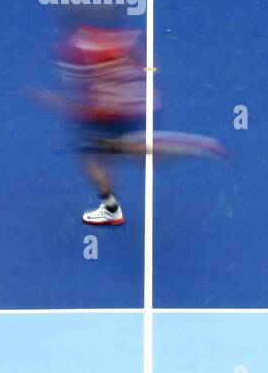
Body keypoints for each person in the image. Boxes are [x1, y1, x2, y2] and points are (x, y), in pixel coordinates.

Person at [39, 11, 226, 226]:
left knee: (97, 155)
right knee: (115, 152)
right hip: (143, 105)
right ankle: (113, 204)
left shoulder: (75, 49)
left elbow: (83, 96)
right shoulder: (124, 38)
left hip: (110, 113)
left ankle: (112, 208)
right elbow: (151, 66)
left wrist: (53, 100)